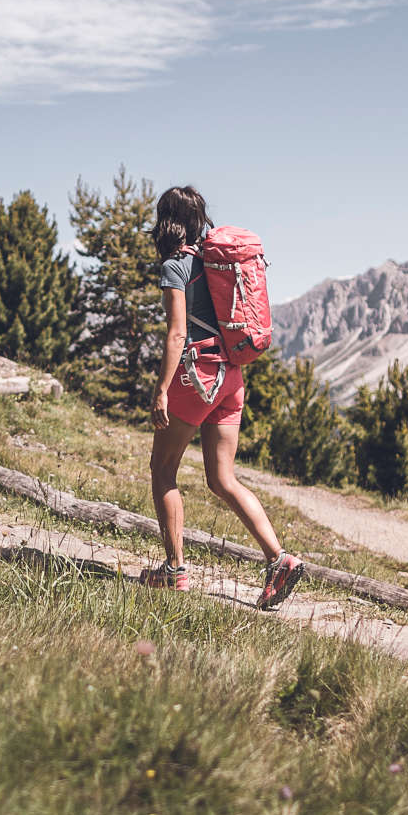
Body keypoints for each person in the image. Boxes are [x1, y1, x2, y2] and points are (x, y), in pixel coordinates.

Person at [140, 186, 304, 609]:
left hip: (196, 376)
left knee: (163, 469)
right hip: (231, 377)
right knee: (222, 478)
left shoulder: (176, 266)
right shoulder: (216, 262)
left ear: (167, 221)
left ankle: (175, 569)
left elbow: (177, 333)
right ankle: (278, 558)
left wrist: (161, 389)